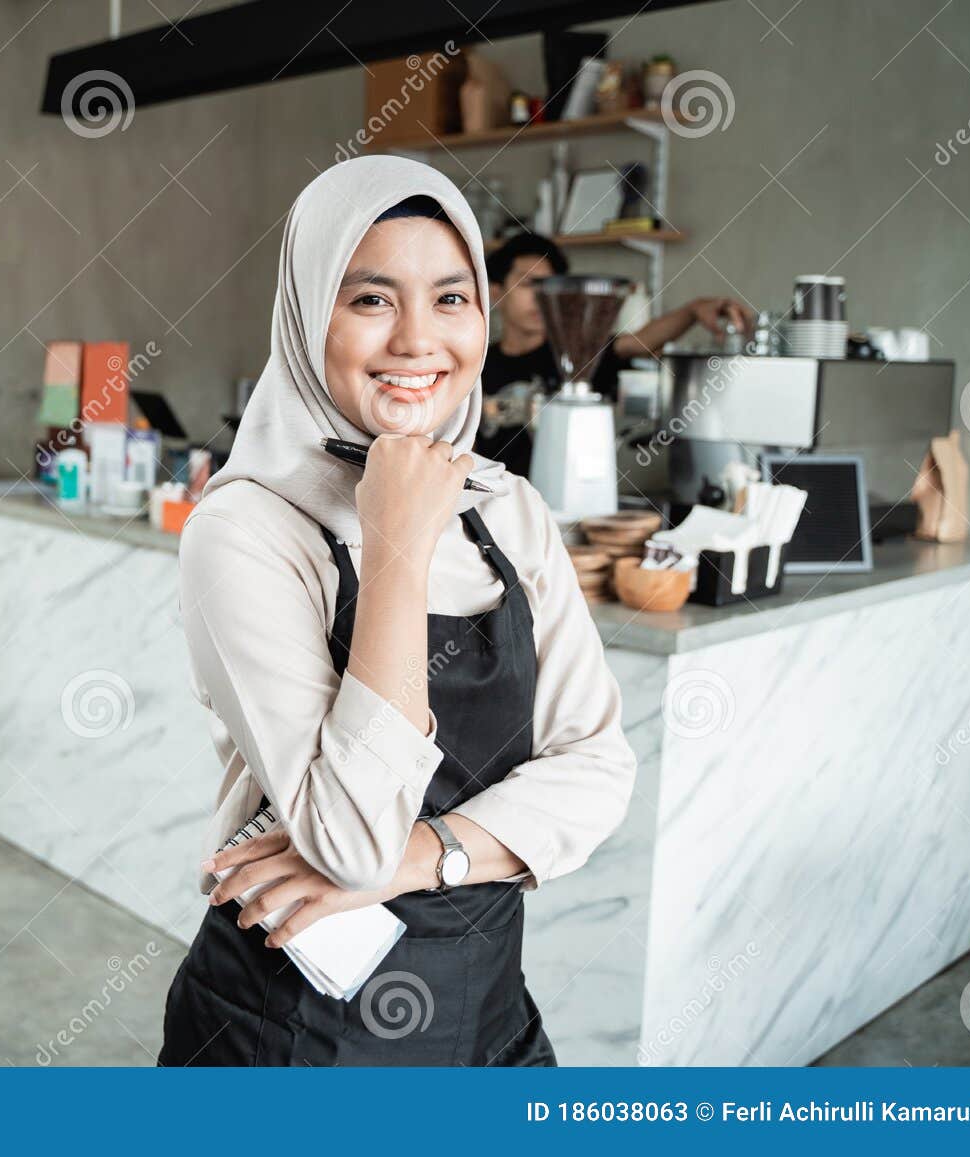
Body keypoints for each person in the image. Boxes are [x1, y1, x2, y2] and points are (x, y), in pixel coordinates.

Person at [156, 157, 636, 1067]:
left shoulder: (509, 509)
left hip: (490, 1010)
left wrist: (434, 855)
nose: (419, 340)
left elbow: (599, 769)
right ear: (307, 318)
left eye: (451, 299)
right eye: (371, 300)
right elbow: (347, 843)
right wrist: (397, 547)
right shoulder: (246, 530)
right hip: (294, 1032)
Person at [476, 232, 757, 475]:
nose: (539, 298)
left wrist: (693, 310)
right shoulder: (476, 364)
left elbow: (640, 342)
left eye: (548, 287)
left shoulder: (578, 355)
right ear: (495, 291)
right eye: (528, 284)